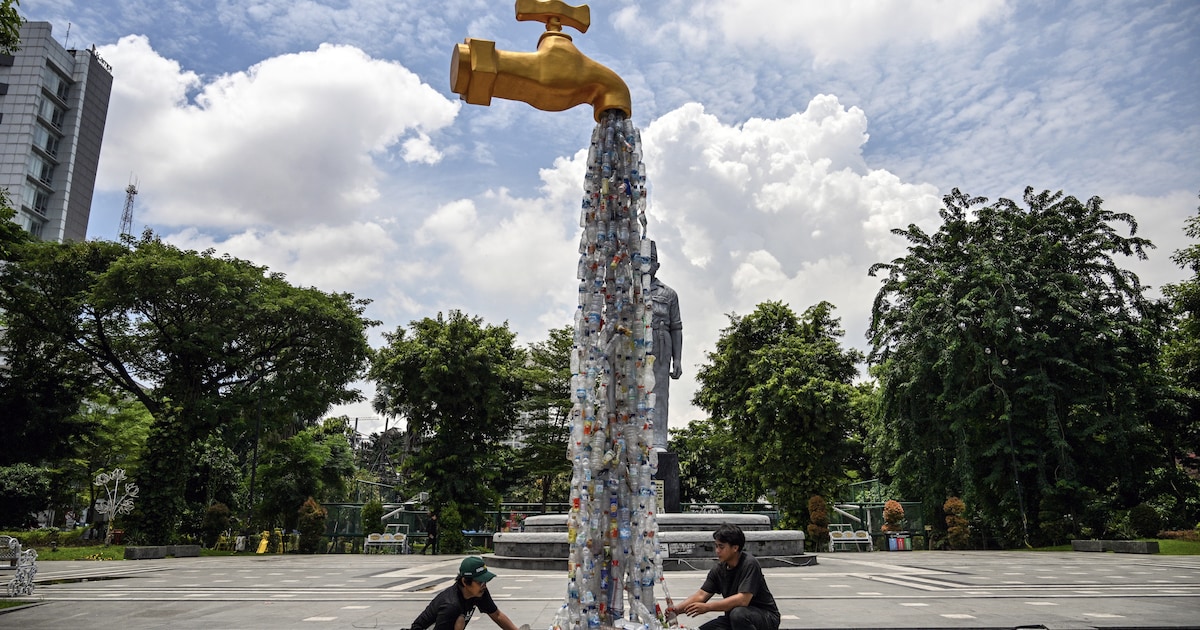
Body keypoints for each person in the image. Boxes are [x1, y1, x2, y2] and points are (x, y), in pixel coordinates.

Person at [674, 524, 780, 630]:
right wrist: (676, 610)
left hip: (765, 616)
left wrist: (708, 607)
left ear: (735, 548)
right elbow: (701, 595)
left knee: (738, 614)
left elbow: (743, 600)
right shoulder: (719, 569)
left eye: (721, 547)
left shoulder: (749, 564)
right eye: (716, 546)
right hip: (733, 617)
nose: (717, 551)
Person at [408, 556, 521, 630]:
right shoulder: (451, 605)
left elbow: (497, 615)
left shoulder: (479, 593)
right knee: (460, 620)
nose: (484, 585)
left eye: (485, 581)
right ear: (465, 582)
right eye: (480, 582)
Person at [648, 240, 683, 451]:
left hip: (661, 345)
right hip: (633, 347)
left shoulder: (669, 294)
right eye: (642, 260)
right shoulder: (628, 290)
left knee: (659, 392)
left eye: (650, 260)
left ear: (657, 265)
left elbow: (676, 328)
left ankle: (658, 440)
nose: (646, 265)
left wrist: (677, 358)